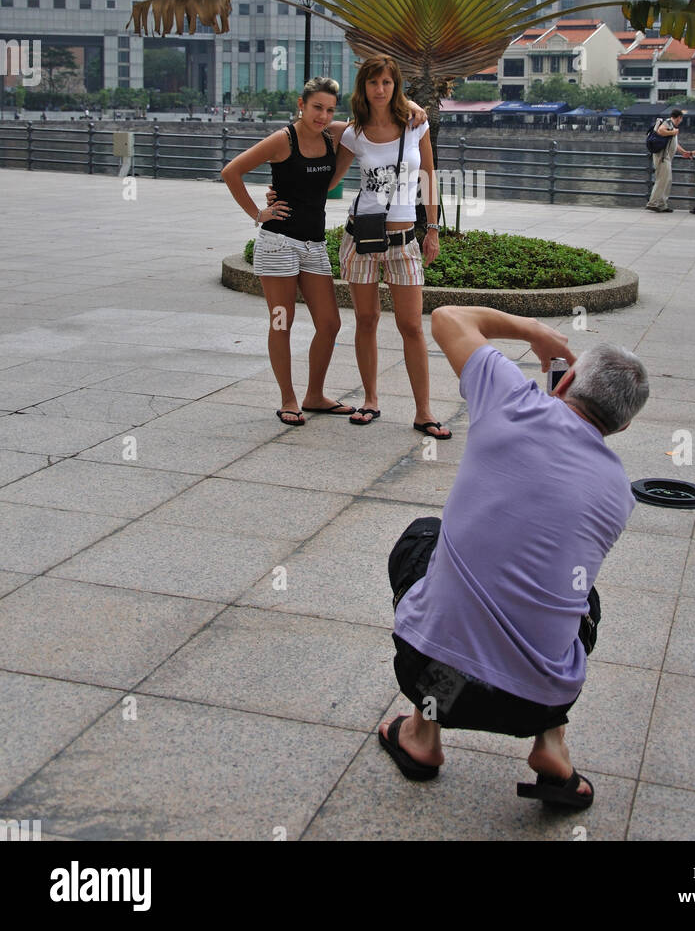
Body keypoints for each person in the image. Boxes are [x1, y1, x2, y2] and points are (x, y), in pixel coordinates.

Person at [378, 306, 649, 809]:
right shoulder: (619, 491)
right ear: (623, 427)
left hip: (435, 675)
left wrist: (537, 332)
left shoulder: (512, 398)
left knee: (423, 537)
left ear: (563, 383)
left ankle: (422, 737)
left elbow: (446, 318)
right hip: (539, 701)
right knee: (580, 599)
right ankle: (552, 744)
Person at [221, 77, 355, 427]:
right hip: (278, 243)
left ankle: (314, 395)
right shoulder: (284, 139)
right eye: (316, 108)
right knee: (282, 322)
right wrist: (257, 213)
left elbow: (372, 120)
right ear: (301, 104)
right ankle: (288, 399)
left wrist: (416, 110)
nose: (323, 115)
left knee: (330, 323)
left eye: (329, 109)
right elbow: (231, 171)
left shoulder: (332, 134)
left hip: (314, 245)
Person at [330, 54, 451, 439]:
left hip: (404, 240)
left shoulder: (416, 124)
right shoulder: (353, 133)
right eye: (372, 83)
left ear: (395, 85)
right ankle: (370, 399)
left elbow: (430, 174)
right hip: (362, 237)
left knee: (412, 326)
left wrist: (432, 229)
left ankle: (424, 411)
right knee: (366, 321)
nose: (380, 90)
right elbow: (325, 168)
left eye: (386, 82)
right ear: (363, 88)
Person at [646, 108, 693, 211]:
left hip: (667, 157)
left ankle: (662, 204)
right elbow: (661, 131)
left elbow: (674, 144)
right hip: (662, 157)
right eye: (681, 119)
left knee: (667, 180)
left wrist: (683, 152)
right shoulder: (668, 123)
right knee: (662, 180)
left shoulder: (672, 126)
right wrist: (673, 132)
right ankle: (653, 203)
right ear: (679, 118)